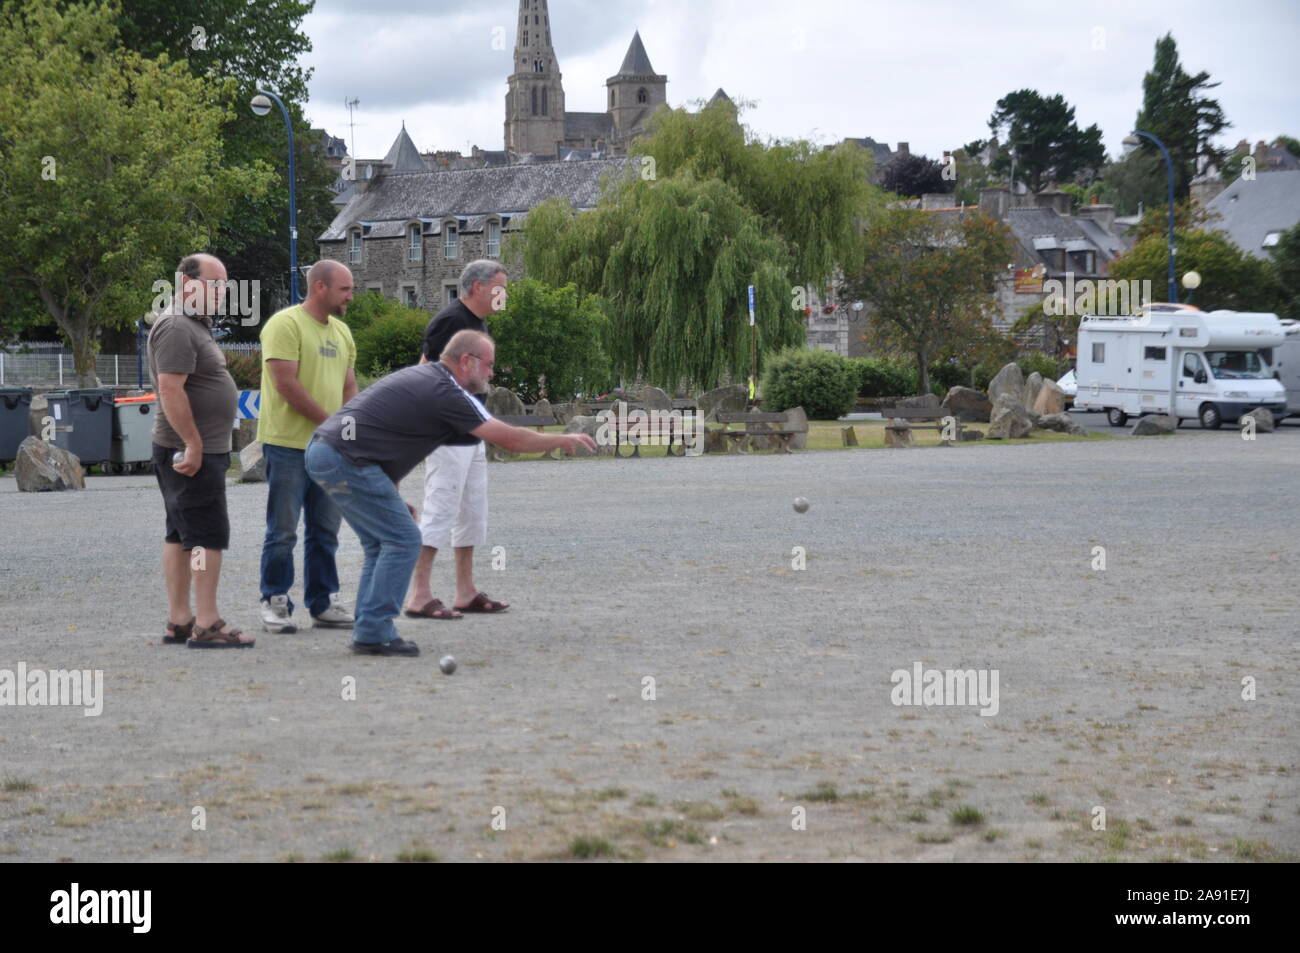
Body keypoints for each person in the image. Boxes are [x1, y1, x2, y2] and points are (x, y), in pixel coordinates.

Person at [307, 330, 596, 656]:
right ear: (466, 361)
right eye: (488, 365)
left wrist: (391, 498)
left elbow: (381, 440)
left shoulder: (427, 379)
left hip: (326, 453)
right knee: (403, 540)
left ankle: (370, 626)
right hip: (343, 458)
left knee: (382, 541)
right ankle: (374, 632)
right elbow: (509, 439)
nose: (491, 373)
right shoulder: (444, 391)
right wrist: (561, 439)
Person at [148, 253, 254, 648]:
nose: (222, 291)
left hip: (191, 447)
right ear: (187, 282)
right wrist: (192, 444)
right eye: (215, 283)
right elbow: (170, 388)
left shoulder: (192, 324)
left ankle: (179, 620)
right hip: (192, 450)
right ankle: (207, 623)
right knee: (203, 538)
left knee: (180, 534)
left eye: (225, 284)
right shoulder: (177, 325)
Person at [256, 260, 358, 633]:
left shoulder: (343, 332)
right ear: (320, 287)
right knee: (283, 529)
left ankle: (323, 601)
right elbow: (286, 383)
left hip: (329, 448)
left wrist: (347, 426)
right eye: (345, 289)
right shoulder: (284, 325)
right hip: (287, 444)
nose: (351, 296)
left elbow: (349, 386)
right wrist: (329, 423)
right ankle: (275, 600)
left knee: (326, 529)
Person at [404, 260, 508, 621]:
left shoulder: (477, 323)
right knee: (440, 509)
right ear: (477, 287)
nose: (503, 295)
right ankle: (419, 595)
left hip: (472, 429)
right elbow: (427, 370)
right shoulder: (450, 321)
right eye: (499, 288)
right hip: (447, 432)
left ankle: (465, 591)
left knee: (472, 513)